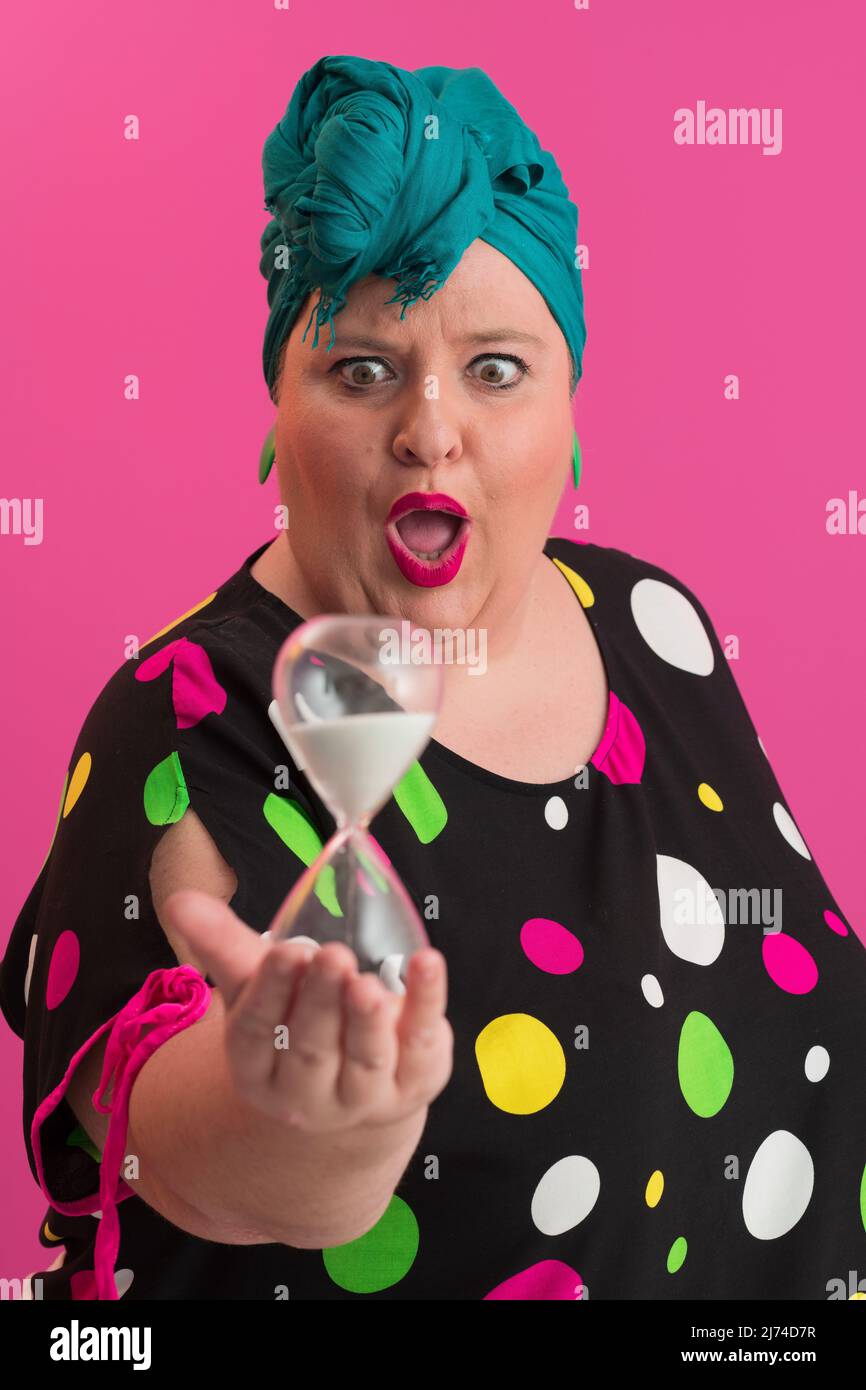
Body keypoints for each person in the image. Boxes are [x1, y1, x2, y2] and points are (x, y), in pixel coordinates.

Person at [2, 53, 864, 1302]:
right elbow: (179, 1142)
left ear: (569, 403)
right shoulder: (189, 720)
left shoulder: (649, 622)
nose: (429, 427)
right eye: (360, 369)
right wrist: (312, 1124)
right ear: (276, 406)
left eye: (496, 369)